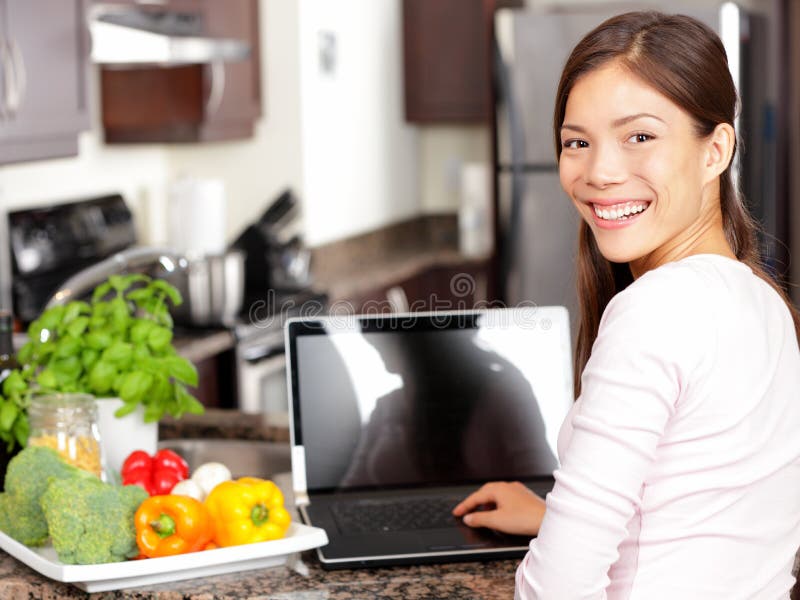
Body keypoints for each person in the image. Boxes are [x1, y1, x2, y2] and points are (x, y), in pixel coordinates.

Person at [452, 11, 800, 599]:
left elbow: (556, 590)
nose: (599, 172)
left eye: (639, 136)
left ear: (715, 150)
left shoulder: (656, 309)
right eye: (577, 143)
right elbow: (716, 521)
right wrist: (555, 519)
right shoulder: (760, 298)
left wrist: (558, 551)